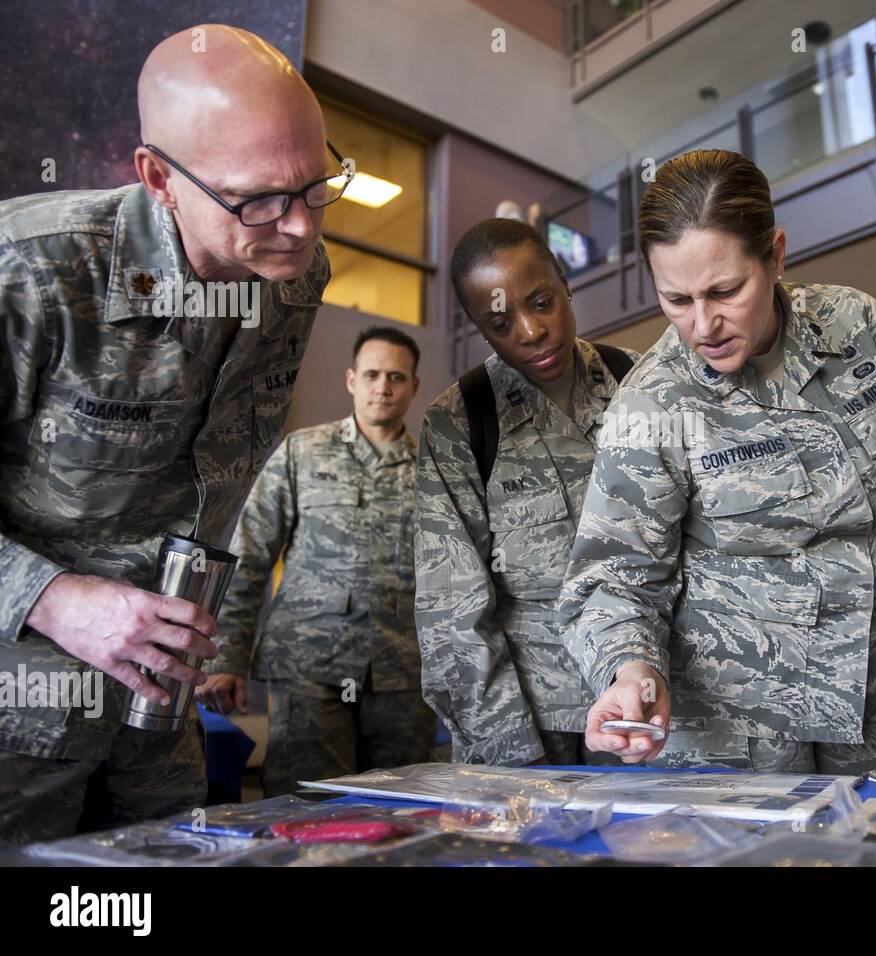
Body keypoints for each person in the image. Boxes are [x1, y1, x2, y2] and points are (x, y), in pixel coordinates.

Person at [0, 25, 338, 844]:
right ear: (158, 177)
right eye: (256, 197)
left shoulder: (289, 277)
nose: (296, 226)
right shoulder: (31, 270)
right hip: (19, 728)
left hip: (157, 727)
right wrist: (53, 599)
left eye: (317, 183)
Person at [560, 149, 876, 772]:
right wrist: (629, 669)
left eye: (725, 290)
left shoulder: (863, 332)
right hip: (729, 739)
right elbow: (615, 577)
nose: (703, 324)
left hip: (863, 713)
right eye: (675, 299)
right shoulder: (652, 402)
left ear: (776, 256)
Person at [415, 218, 639, 765]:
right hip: (535, 726)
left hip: (645, 713)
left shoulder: (638, 383)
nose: (531, 331)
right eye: (499, 322)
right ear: (476, 327)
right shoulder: (461, 421)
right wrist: (511, 760)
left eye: (541, 302)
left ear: (565, 280)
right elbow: (452, 611)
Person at [203, 327, 435, 796]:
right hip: (309, 666)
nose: (382, 387)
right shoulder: (301, 452)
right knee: (307, 801)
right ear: (351, 380)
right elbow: (249, 558)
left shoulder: (434, 469)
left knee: (403, 803)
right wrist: (227, 655)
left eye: (396, 376)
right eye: (372, 374)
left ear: (413, 386)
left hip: (405, 672)